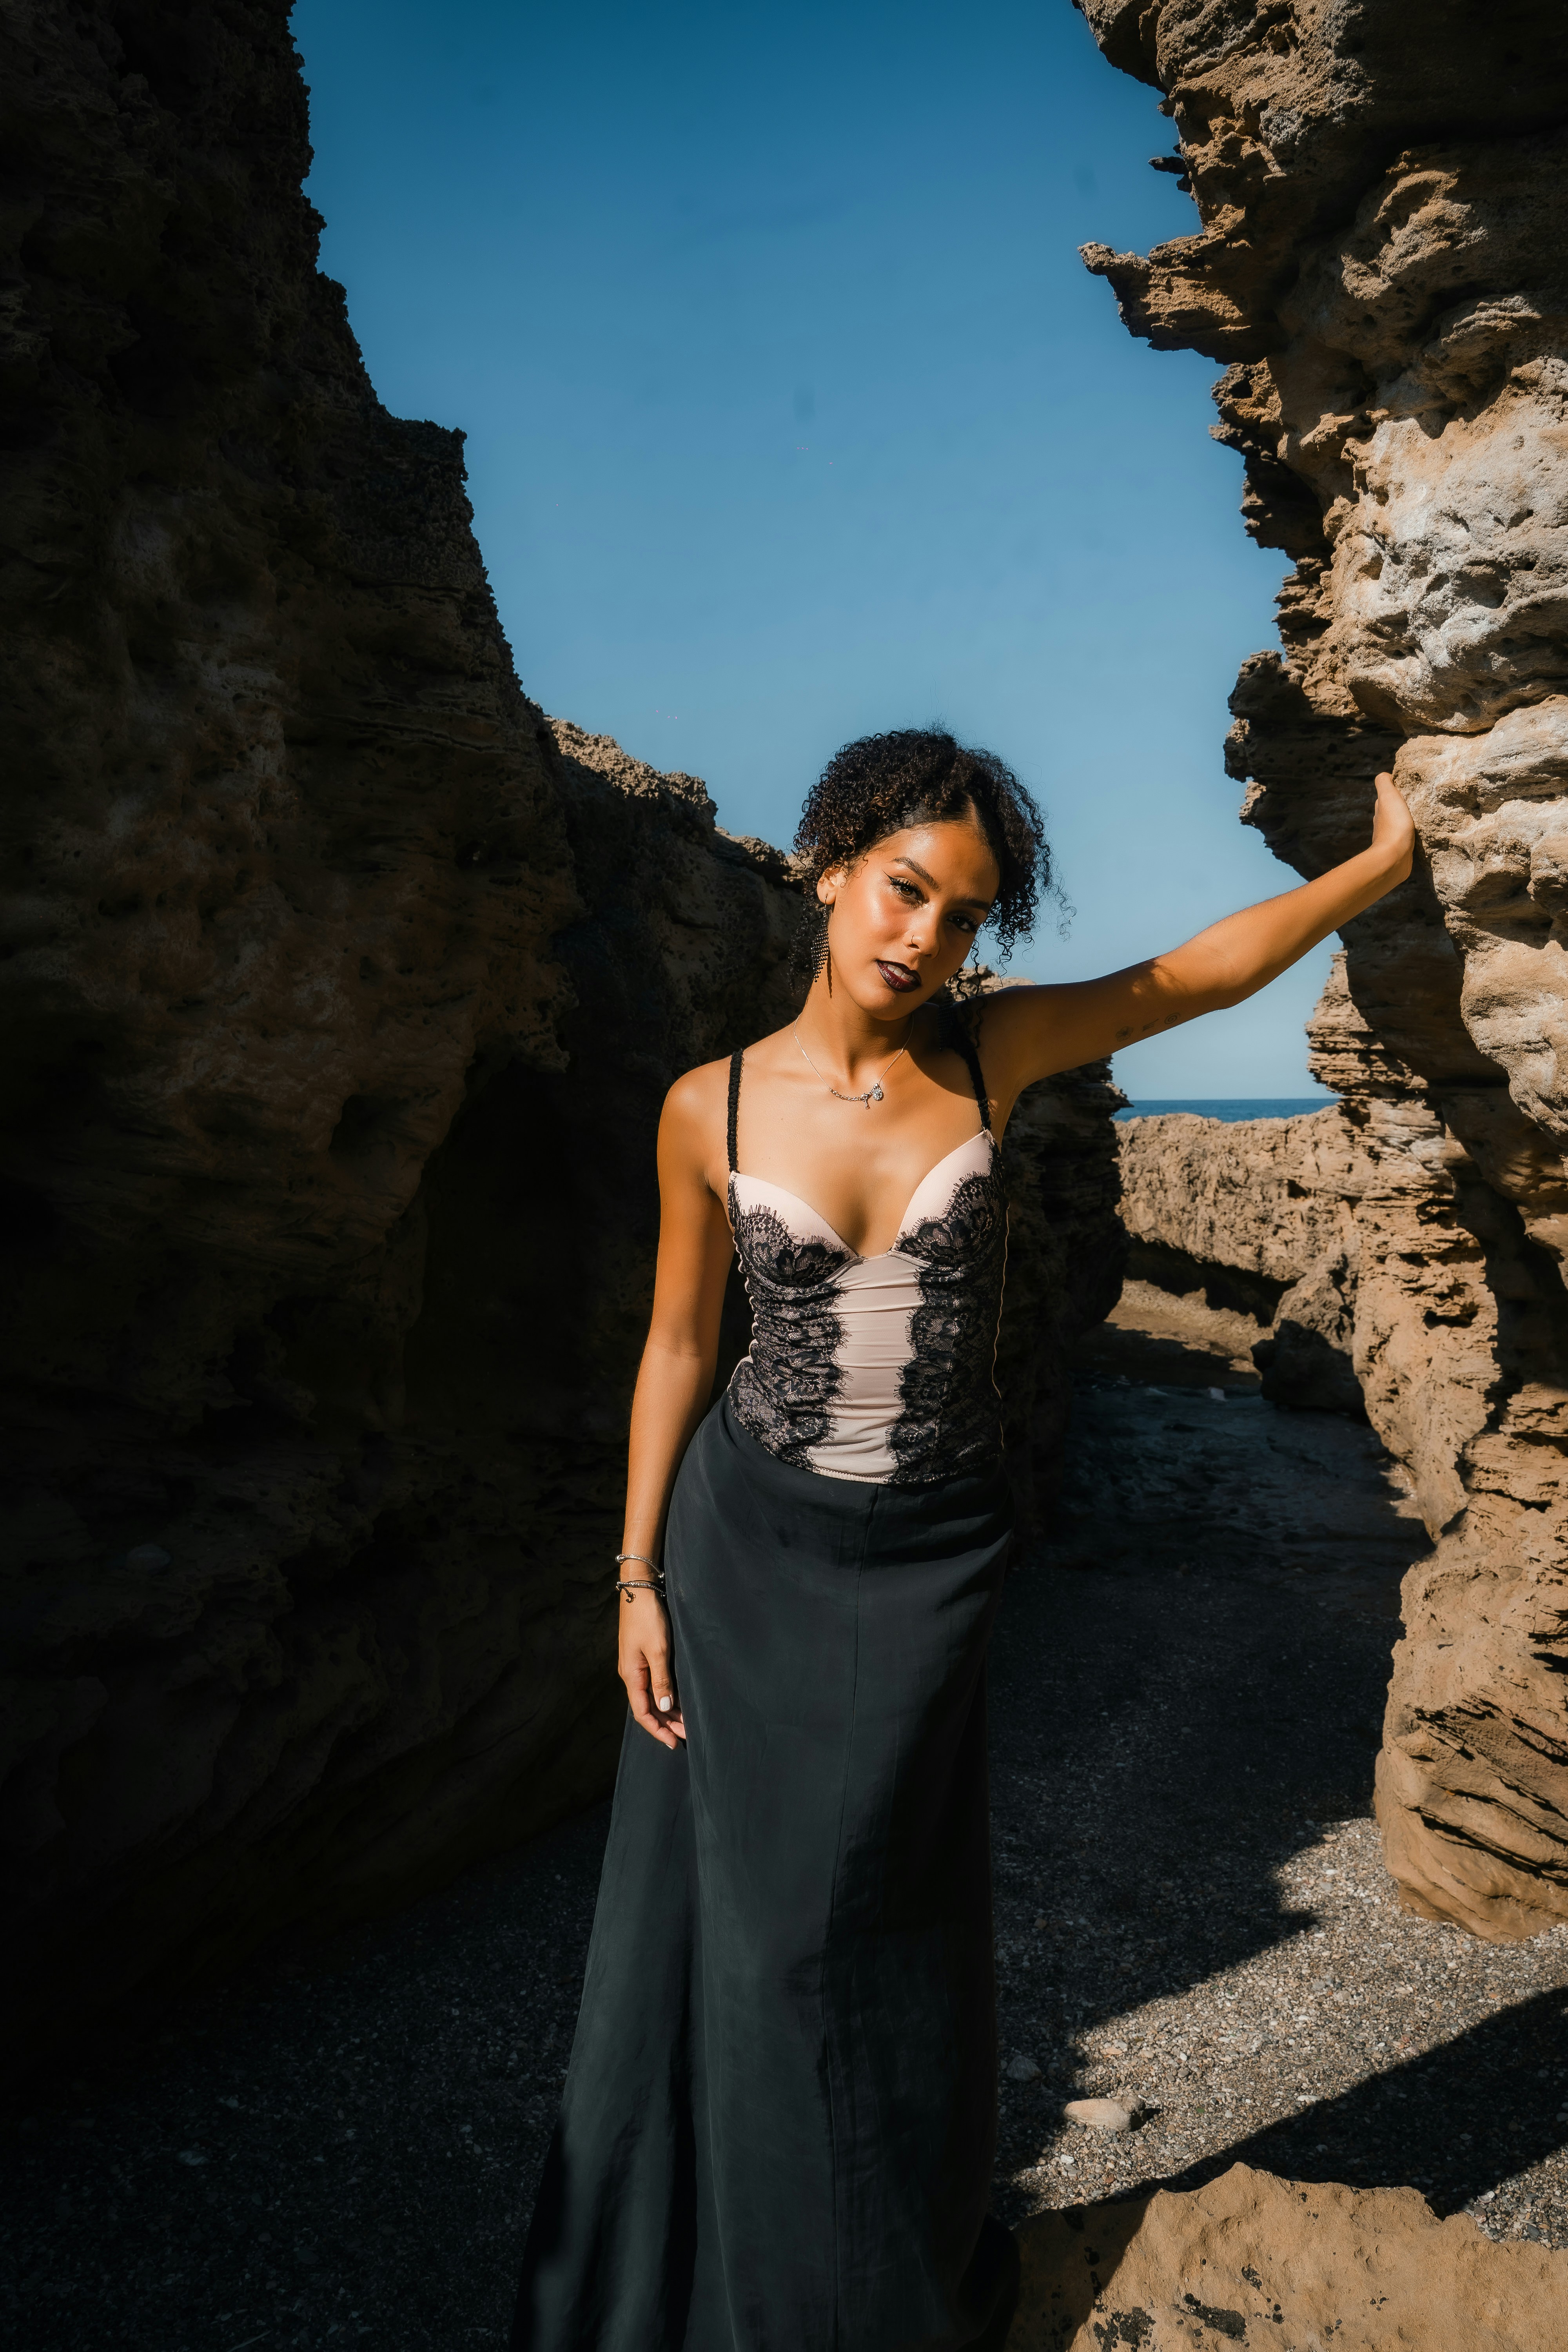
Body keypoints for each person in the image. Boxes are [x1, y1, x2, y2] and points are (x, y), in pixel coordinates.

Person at [510, 727, 1414, 2352]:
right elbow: (674, 1350)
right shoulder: (700, 1108)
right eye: (906, 890)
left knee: (880, 1923)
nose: (923, 937)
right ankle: (756, 2300)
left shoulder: (991, 1057)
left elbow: (1187, 983)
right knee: (762, 1939)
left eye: (964, 916)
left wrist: (1373, 870)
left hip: (928, 1562)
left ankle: (869, 2258)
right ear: (832, 867)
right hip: (740, 1552)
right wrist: (634, 1576)